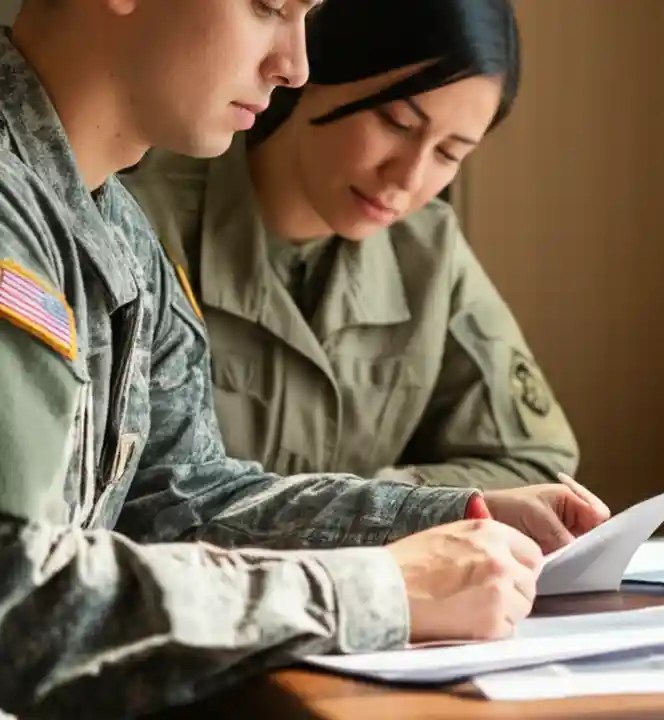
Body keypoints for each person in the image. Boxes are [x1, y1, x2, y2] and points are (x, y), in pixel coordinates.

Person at [0, 1, 606, 716]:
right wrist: (382, 588)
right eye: (268, 6)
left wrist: (442, 516)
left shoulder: (115, 228)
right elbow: (17, 599)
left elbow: (182, 500)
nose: (295, 67)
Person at [123, 0, 578, 492]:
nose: (408, 179)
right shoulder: (143, 223)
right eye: (396, 123)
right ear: (314, 68)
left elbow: (536, 463)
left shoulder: (427, 252)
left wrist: (391, 499)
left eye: (450, 154)